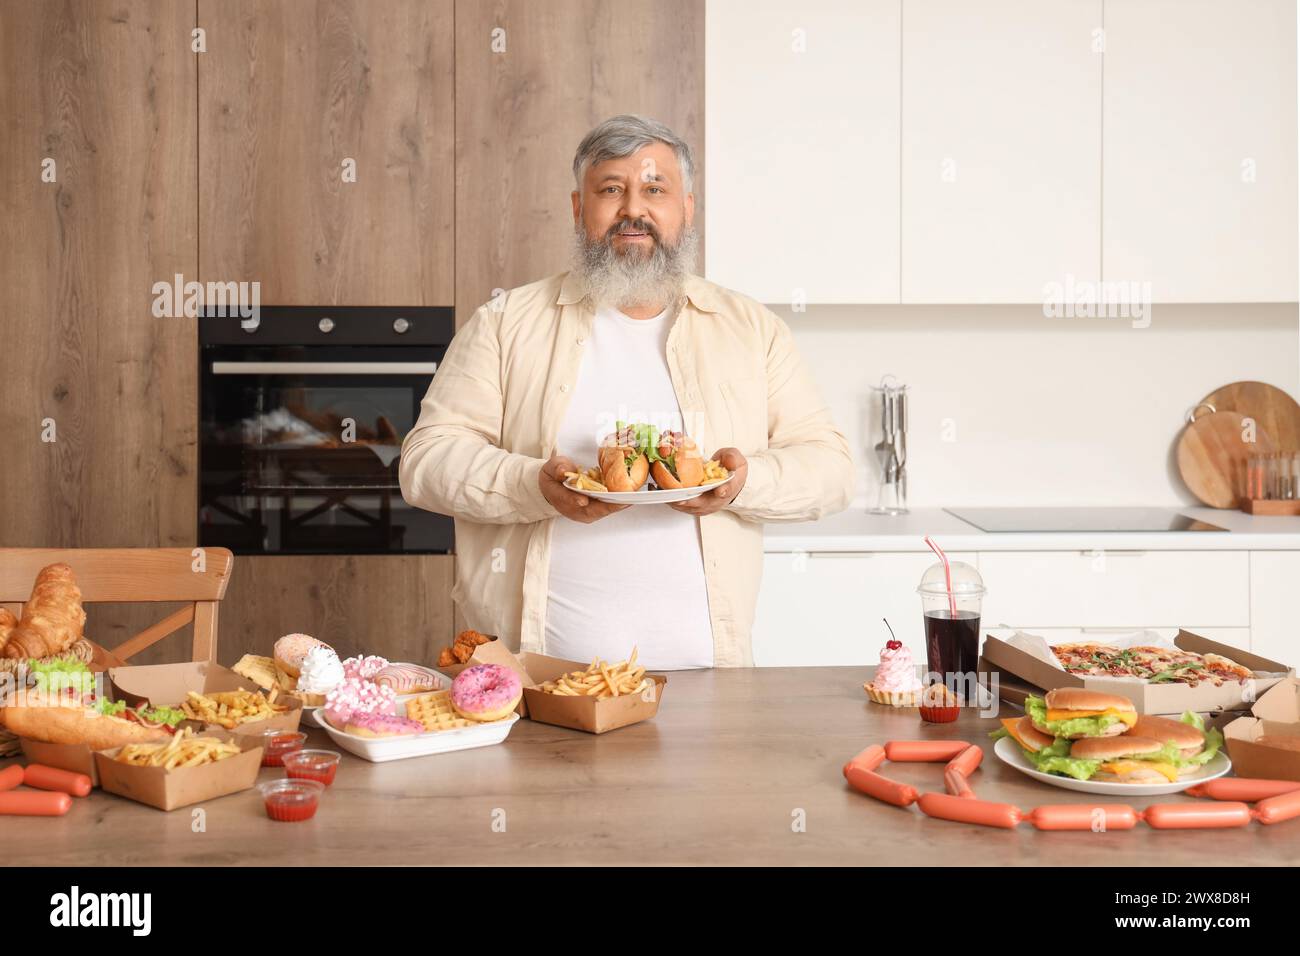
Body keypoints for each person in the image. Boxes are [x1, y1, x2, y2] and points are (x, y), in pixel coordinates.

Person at [400, 114, 854, 668]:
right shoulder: (504, 322)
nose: (633, 210)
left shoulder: (750, 328)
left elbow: (831, 469)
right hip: (535, 686)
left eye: (654, 190)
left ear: (687, 208)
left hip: (713, 686)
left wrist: (742, 482)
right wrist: (533, 486)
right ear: (577, 208)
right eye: (611, 190)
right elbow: (424, 463)